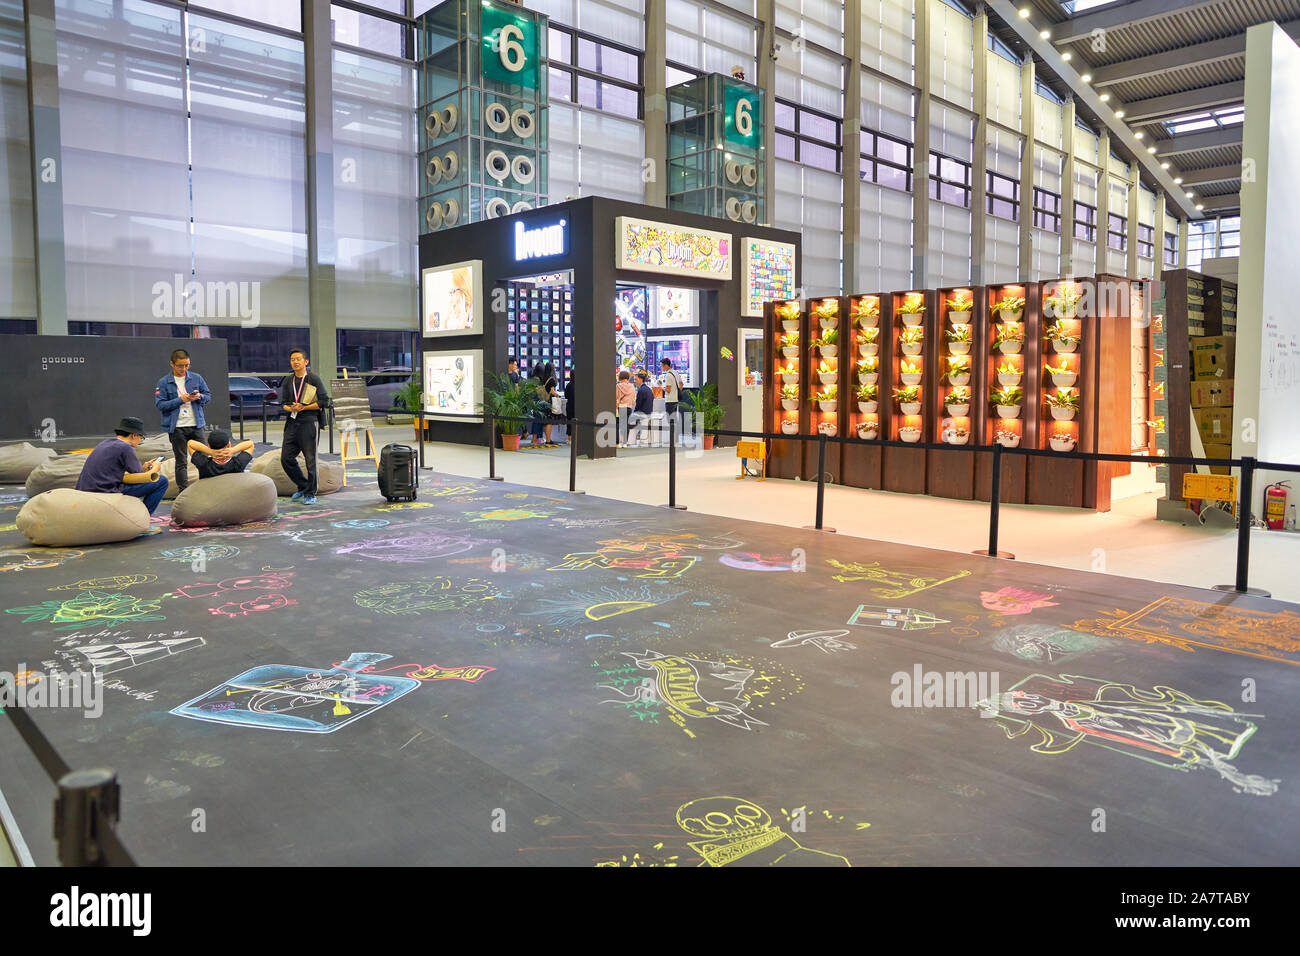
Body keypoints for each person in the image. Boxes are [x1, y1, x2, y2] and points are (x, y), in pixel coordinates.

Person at [75, 416, 169, 524]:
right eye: (141, 437)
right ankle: (143, 520)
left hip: (84, 492)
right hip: (105, 492)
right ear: (134, 435)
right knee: (162, 481)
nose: (140, 441)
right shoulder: (126, 448)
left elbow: (128, 471)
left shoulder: (106, 443)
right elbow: (142, 477)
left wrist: (143, 468)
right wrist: (155, 469)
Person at [154, 348, 212, 495]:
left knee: (202, 460)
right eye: (180, 366)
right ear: (172, 364)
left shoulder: (196, 378)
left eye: (187, 365)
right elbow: (160, 405)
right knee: (181, 461)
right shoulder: (164, 382)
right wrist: (181, 400)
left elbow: (208, 396)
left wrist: (199, 396)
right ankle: (183, 493)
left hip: (196, 425)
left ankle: (206, 490)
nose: (184, 369)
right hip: (177, 427)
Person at [279, 349, 330, 504]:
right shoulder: (288, 380)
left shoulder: (313, 379)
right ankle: (302, 485)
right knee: (286, 458)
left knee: (310, 460)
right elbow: (284, 404)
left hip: (309, 422)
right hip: (292, 422)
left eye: (298, 359)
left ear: (305, 362)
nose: (295, 362)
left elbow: (324, 401)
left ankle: (310, 493)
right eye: (292, 359)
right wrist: (292, 408)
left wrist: (304, 407)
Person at [187, 429, 254, 479]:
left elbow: (190, 444)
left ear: (209, 446)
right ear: (229, 445)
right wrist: (233, 450)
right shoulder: (238, 463)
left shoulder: (203, 464)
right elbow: (250, 444)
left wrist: (210, 451)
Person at [660, 358, 684, 443]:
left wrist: (661, 387)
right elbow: (681, 384)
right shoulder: (675, 372)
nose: (661, 368)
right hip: (676, 399)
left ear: (666, 365)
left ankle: (672, 440)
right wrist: (677, 391)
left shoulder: (668, 375)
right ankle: (675, 439)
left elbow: (668, 390)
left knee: (670, 420)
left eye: (661, 366)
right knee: (675, 420)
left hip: (670, 400)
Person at [629, 371, 655, 447]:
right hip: (648, 412)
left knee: (630, 420)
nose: (634, 381)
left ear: (640, 380)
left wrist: (635, 412)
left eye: (635, 379)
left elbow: (638, 404)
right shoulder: (648, 389)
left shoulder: (641, 390)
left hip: (643, 413)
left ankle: (631, 441)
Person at [615, 370, 636, 448]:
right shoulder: (632, 386)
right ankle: (625, 443)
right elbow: (633, 398)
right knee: (626, 425)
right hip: (628, 407)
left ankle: (618, 443)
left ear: (620, 377)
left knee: (617, 425)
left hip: (620, 407)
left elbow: (616, 397)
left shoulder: (618, 386)